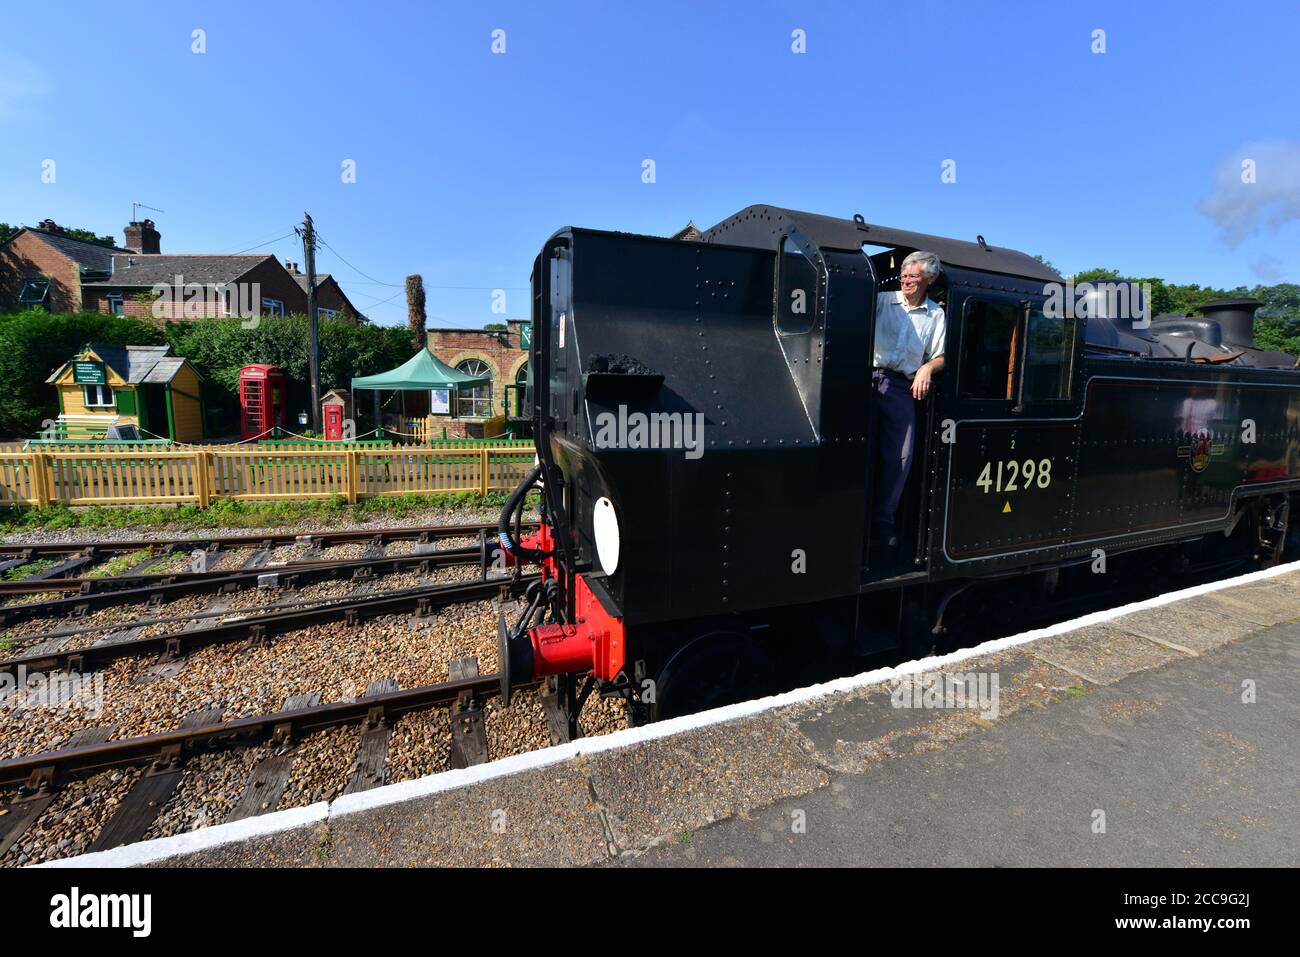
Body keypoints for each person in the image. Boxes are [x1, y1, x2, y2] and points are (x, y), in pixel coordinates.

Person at [870, 250, 945, 550]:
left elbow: (940, 355)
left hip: (902, 386)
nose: (906, 281)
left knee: (901, 457)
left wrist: (927, 368)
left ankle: (883, 520)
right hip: (867, 379)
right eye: (904, 275)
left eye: (913, 276)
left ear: (930, 279)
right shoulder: (881, 300)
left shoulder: (936, 314)